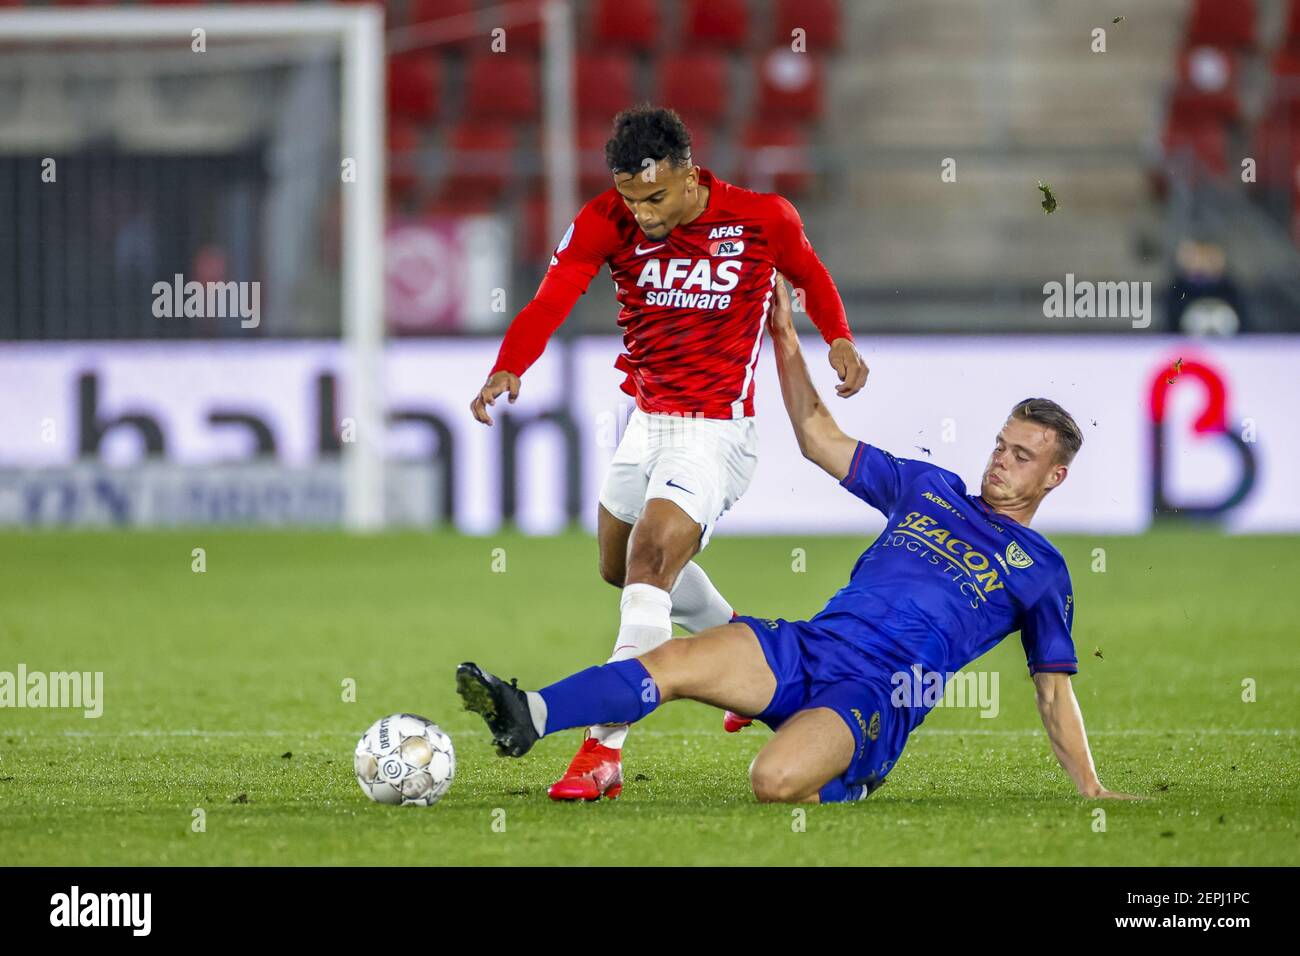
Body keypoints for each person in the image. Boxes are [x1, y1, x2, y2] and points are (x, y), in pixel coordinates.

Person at [457, 276, 1137, 803]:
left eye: (1021, 456)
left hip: (872, 695)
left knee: (774, 782)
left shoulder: (1041, 571)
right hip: (808, 645)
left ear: (1056, 475)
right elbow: (819, 437)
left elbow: (1052, 691)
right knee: (671, 662)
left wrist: (1092, 788)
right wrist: (784, 337)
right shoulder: (928, 488)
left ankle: (851, 779)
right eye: (1000, 444)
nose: (999, 461)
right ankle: (530, 713)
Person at [469, 107, 867, 800]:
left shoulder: (762, 218)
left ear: (690, 173)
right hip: (648, 423)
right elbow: (553, 296)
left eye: (655, 199)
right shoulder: (604, 219)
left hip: (716, 432)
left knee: (651, 559)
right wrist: (512, 365)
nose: (644, 216)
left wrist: (837, 336)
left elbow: (811, 273)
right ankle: (738, 643)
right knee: (617, 567)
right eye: (631, 200)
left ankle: (602, 753)